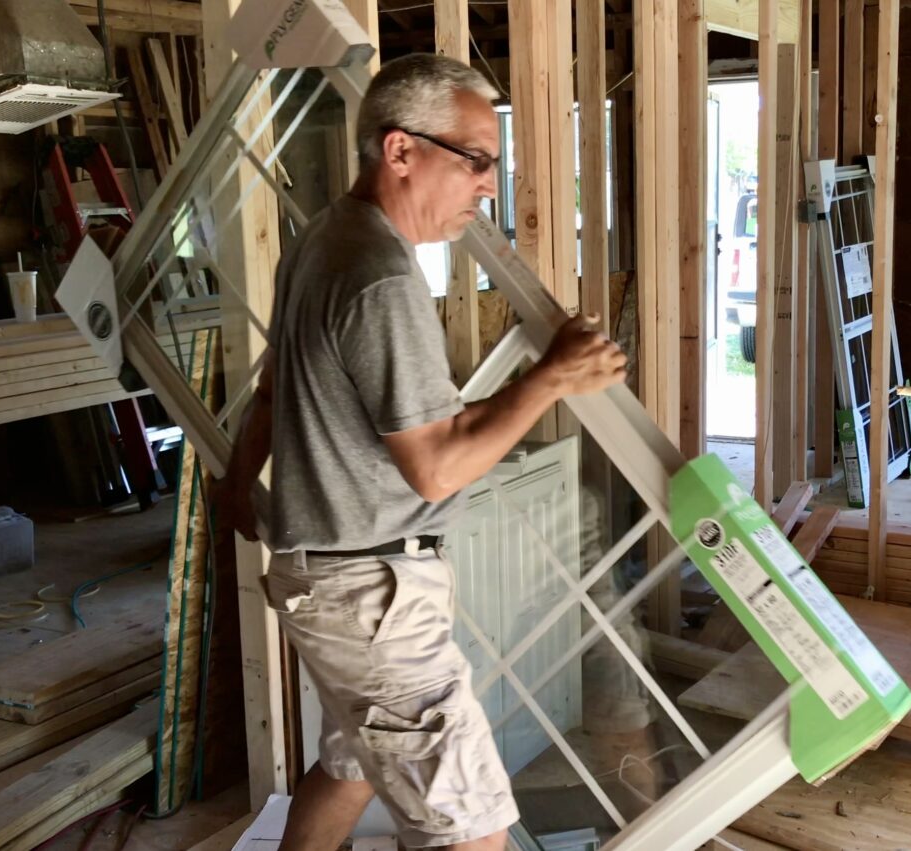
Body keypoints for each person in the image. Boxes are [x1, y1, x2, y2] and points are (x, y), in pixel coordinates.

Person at [213, 54, 627, 851]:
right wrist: (551, 379)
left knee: (352, 762)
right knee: (467, 829)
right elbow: (435, 465)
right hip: (370, 598)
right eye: (477, 159)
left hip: (330, 579)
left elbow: (279, 391)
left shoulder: (322, 240)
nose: (488, 184)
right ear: (400, 150)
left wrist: (237, 482)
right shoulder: (379, 277)